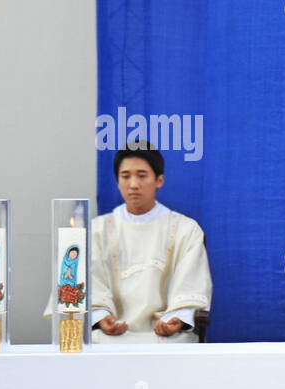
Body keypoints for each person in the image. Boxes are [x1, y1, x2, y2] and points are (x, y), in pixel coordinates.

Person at [89, 142, 213, 343]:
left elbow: (191, 285)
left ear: (159, 180)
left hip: (168, 336)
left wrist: (177, 319)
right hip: (109, 336)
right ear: (117, 181)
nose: (133, 184)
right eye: (126, 176)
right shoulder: (96, 230)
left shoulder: (185, 229)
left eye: (142, 175)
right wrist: (101, 317)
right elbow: (92, 282)